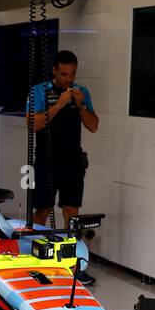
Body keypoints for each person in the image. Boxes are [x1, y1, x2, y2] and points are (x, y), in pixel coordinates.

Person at [26, 49, 99, 228]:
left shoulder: (82, 92)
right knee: (43, 209)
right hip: (46, 160)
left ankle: (69, 251)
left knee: (71, 211)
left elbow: (93, 126)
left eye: (72, 74)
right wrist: (59, 105)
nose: (68, 79)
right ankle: (36, 248)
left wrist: (81, 105)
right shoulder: (39, 91)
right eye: (64, 74)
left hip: (72, 161)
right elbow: (32, 124)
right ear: (54, 71)